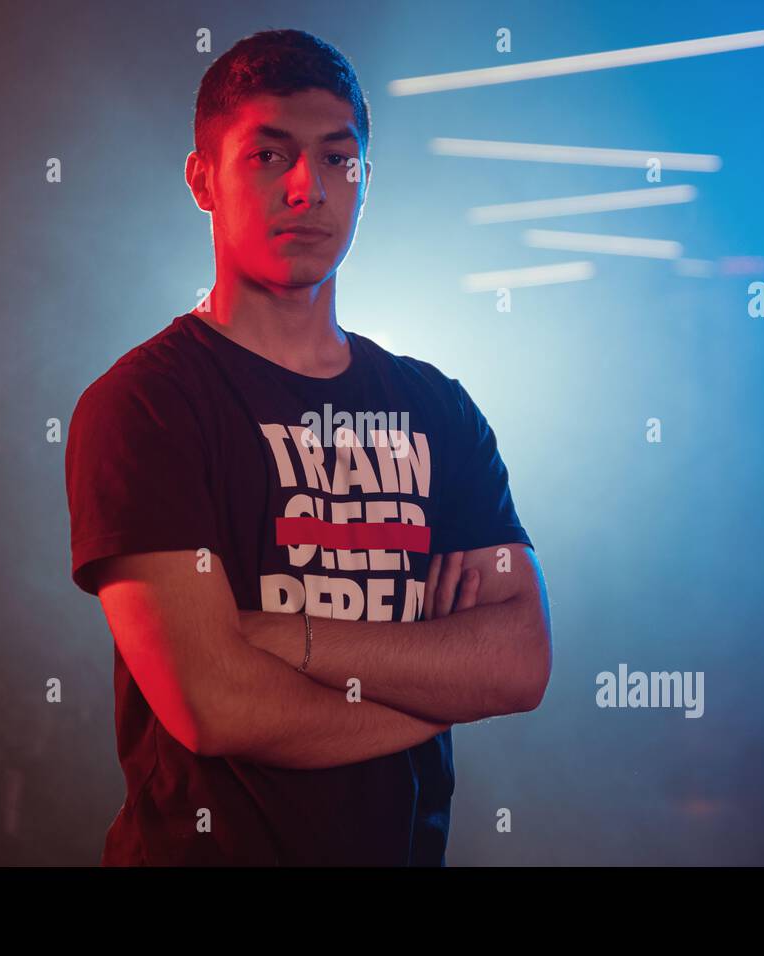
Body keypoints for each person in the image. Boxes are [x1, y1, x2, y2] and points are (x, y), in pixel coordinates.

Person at [64, 28, 552, 866]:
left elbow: (519, 663)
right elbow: (216, 706)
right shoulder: (148, 404)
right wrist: (443, 688)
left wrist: (288, 638)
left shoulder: (437, 408)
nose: (308, 188)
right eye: (268, 155)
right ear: (202, 180)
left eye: (337, 159)